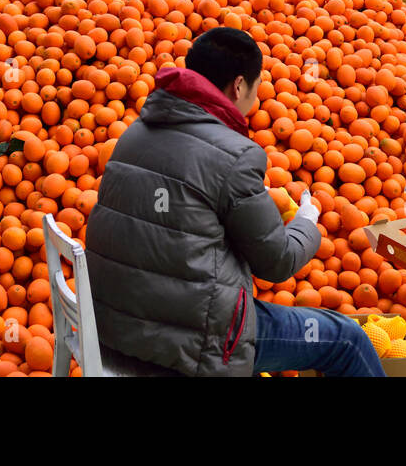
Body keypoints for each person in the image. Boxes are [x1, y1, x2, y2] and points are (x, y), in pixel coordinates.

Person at [84, 26, 384, 377]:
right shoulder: (234, 156)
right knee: (348, 339)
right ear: (239, 86)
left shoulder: (134, 133)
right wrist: (307, 219)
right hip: (195, 346)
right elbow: (277, 262)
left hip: (114, 331)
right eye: (256, 88)